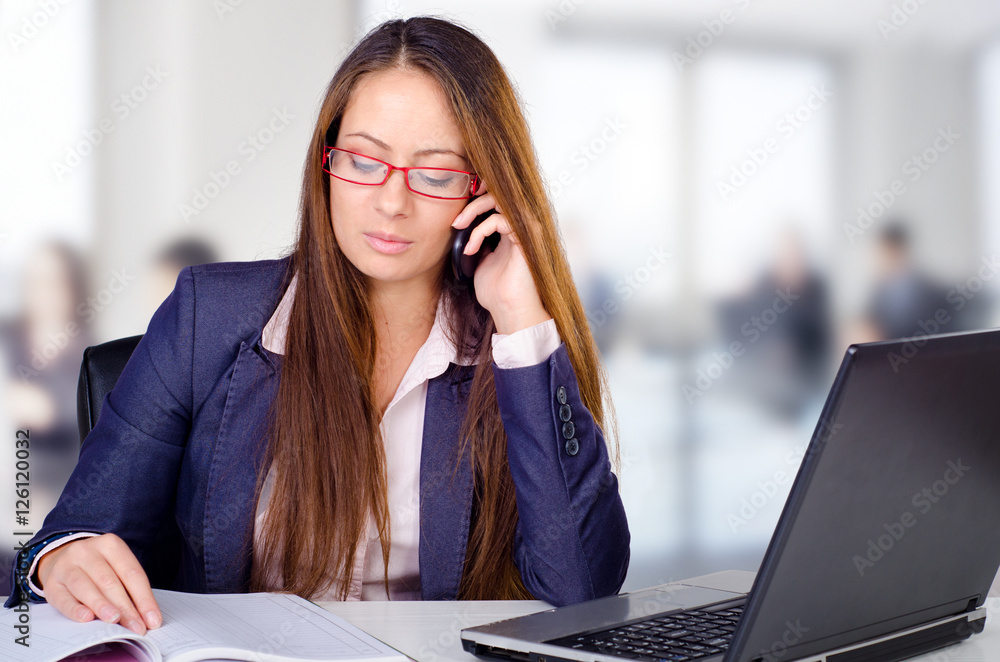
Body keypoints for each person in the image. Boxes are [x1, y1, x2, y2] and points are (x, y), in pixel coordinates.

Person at [5, 16, 630, 635]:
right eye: (362, 161)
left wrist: (521, 322)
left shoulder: (513, 346)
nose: (392, 202)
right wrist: (60, 560)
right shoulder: (207, 315)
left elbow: (579, 587)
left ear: (486, 191)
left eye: (436, 174)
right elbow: (67, 537)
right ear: (325, 162)